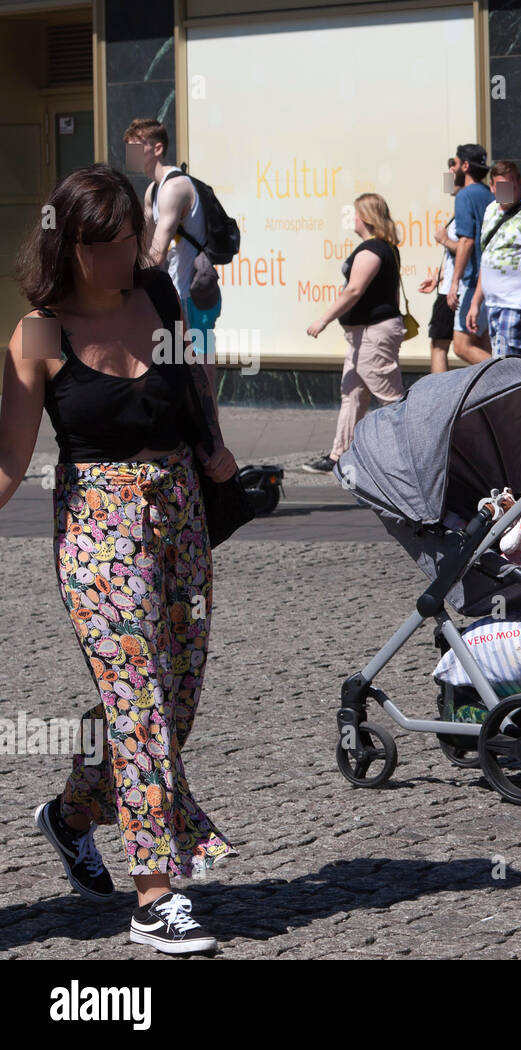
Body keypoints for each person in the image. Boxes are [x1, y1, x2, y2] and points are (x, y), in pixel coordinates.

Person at [1, 164, 238, 952]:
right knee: (137, 700)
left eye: (130, 241)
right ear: (67, 245)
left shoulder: (158, 297)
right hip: (98, 528)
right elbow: (7, 465)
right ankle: (156, 896)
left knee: (171, 703)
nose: (122, 258)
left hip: (179, 517)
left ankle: (69, 816)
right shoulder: (38, 334)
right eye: (105, 247)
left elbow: (190, 377)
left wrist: (216, 447)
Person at [302, 193, 405, 473]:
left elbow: (354, 289)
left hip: (373, 334)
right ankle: (340, 455)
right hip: (364, 334)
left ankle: (412, 450)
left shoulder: (372, 249)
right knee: (352, 394)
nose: (353, 218)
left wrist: (323, 320)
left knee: (390, 396)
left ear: (366, 217)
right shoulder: (383, 248)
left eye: (356, 213)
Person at [126, 119, 221, 359]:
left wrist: (123, 283)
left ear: (157, 149)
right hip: (173, 294)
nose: (131, 153)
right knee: (178, 367)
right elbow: (144, 245)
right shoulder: (153, 190)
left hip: (192, 294)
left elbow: (155, 254)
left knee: (200, 366)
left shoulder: (174, 188)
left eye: (136, 146)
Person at [466, 161, 521, 368]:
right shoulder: (491, 210)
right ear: (492, 187)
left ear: (520, 183)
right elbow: (487, 257)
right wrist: (476, 302)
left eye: (512, 185)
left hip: (518, 305)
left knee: (513, 371)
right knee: (501, 367)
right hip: (493, 304)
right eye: (501, 187)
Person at [446, 143, 494, 366]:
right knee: (484, 345)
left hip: (474, 281)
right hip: (492, 280)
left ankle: (518, 378)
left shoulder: (465, 196)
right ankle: (501, 398)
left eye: (454, 163)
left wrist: (454, 283)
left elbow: (466, 241)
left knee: (461, 346)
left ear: (465, 166)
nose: (451, 169)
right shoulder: (491, 194)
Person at [420, 157, 460, 373]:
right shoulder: (460, 206)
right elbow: (453, 255)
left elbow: (468, 247)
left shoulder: (467, 204)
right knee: (440, 344)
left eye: (451, 174)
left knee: (446, 346)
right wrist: (438, 278)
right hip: (448, 286)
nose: (448, 179)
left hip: (454, 290)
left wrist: (445, 240)